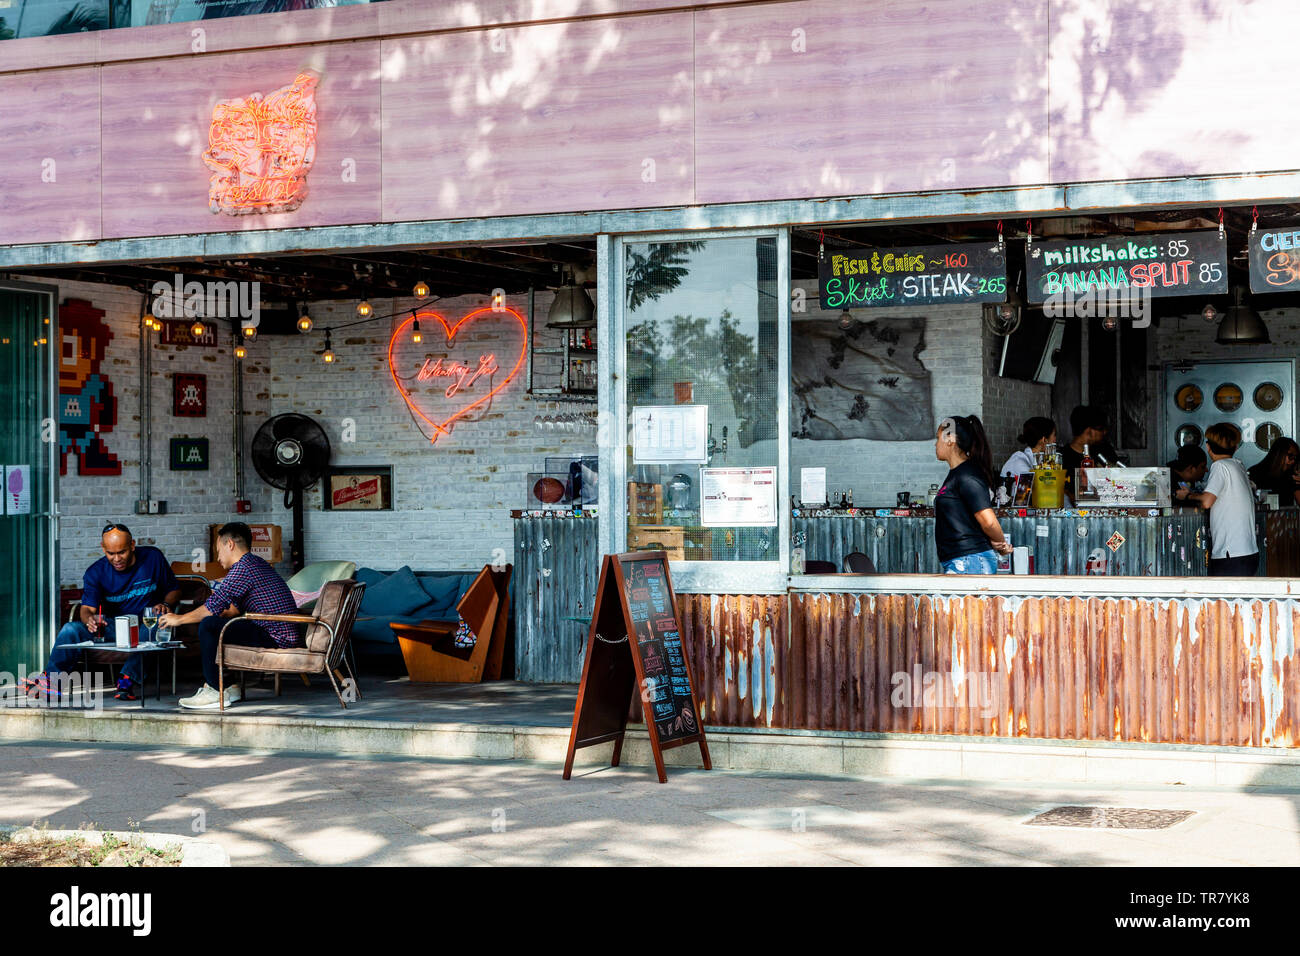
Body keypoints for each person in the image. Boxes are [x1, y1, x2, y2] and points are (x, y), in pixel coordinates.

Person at [22, 523, 179, 702]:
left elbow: (174, 589)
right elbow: (87, 609)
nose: (117, 558)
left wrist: (166, 603)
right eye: (110, 553)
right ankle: (51, 681)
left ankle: (127, 680)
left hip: (145, 626)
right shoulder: (95, 572)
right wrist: (90, 620)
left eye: (122, 552)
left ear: (132, 545)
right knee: (70, 629)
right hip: (112, 628)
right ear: (103, 548)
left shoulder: (153, 558)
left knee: (160, 620)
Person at [159, 522, 301, 710]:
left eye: (219, 551)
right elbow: (232, 610)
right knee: (216, 624)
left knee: (209, 625)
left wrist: (178, 619)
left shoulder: (243, 568)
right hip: (277, 630)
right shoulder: (255, 562)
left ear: (230, 545)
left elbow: (212, 608)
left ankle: (214, 690)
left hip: (276, 635)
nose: (218, 558)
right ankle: (229, 686)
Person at [933, 414, 1013, 574]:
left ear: (950, 439)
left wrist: (1001, 543)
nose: (935, 444)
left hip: (970, 561)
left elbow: (988, 522)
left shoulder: (967, 476)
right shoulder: (958, 474)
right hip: (964, 561)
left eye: (938, 438)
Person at [1190, 423, 1259, 576]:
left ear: (1208, 447)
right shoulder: (1238, 466)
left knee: (1221, 600)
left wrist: (1187, 495)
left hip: (1230, 554)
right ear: (1235, 448)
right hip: (1248, 552)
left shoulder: (1220, 466)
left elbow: (1207, 501)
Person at [1061, 405, 1111, 502]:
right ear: (1089, 431)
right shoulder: (1062, 459)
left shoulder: (1103, 452)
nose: (1104, 432)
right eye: (1101, 429)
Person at [1247, 437, 1300, 507]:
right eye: (1290, 456)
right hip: (1260, 516)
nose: (1293, 461)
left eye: (1295, 457)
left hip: (1285, 516)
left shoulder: (1291, 475)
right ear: (1279, 454)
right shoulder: (1256, 472)